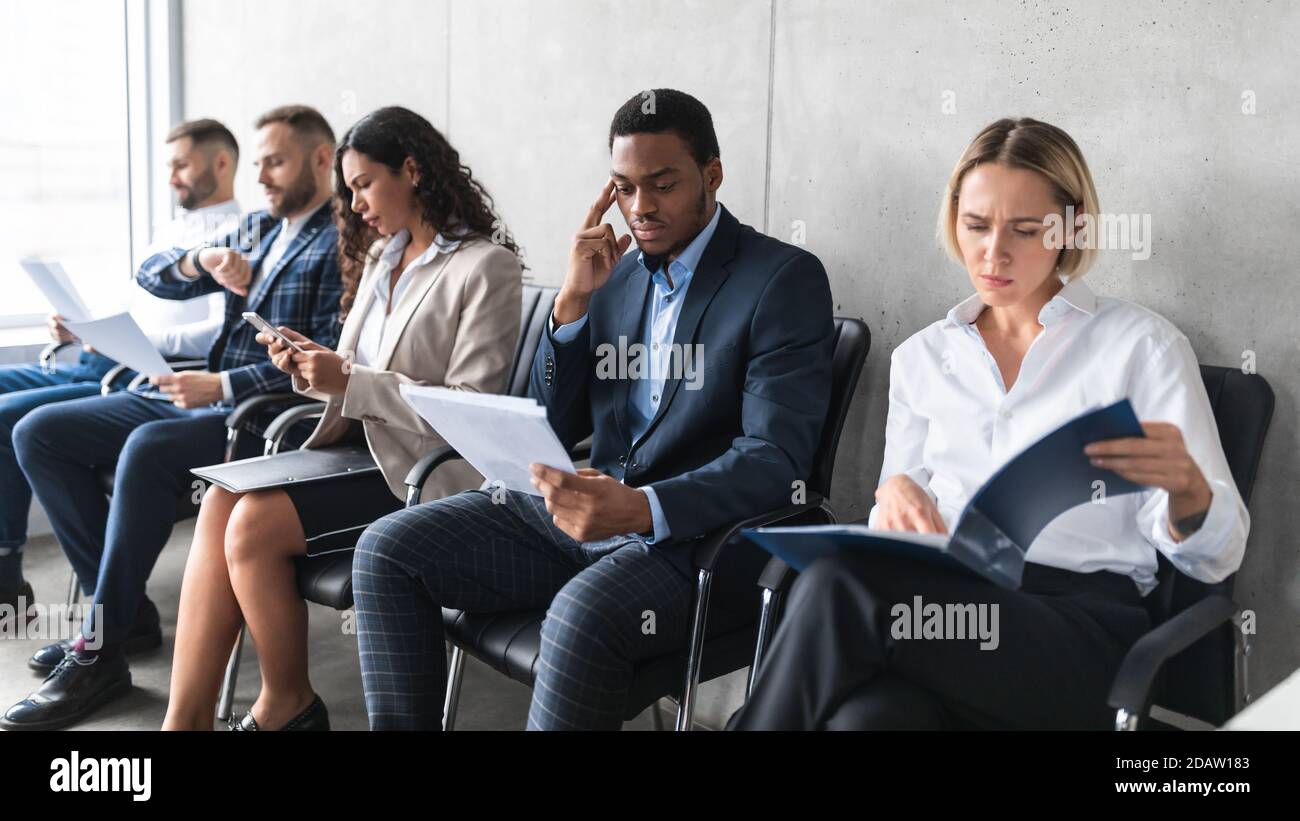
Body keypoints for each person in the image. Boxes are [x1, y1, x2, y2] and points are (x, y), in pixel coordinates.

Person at [728, 117, 1248, 731]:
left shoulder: (1142, 348)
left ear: (1070, 227)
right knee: (864, 723)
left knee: (841, 589)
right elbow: (897, 533)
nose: (992, 252)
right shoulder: (922, 358)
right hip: (944, 615)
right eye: (976, 225)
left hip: (1077, 634)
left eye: (1025, 230)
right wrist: (892, 498)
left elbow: (1219, 556)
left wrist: (1189, 494)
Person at [351, 88, 836, 730]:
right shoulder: (618, 273)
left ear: (711, 175)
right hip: (581, 518)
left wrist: (643, 507)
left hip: (693, 546)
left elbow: (777, 460)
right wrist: (572, 308)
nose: (641, 208)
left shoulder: (781, 279)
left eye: (661, 185)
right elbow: (553, 423)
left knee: (579, 615)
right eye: (624, 188)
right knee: (386, 549)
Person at [161, 106, 524, 731]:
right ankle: (184, 723)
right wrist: (311, 364)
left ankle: (287, 704)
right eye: (349, 189)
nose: (355, 204)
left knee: (248, 524)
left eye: (363, 184)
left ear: (411, 170)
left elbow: (471, 406)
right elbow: (351, 369)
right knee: (219, 500)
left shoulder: (483, 266)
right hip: (355, 448)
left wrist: (350, 380)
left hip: (422, 473)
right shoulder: (385, 257)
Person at [1, 105, 344, 731]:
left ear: (322, 160)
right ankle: (122, 617)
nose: (261, 175)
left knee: (147, 448)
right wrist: (201, 263)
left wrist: (223, 381)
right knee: (37, 432)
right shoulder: (261, 229)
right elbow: (152, 274)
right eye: (259, 161)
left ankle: (98, 653)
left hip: (257, 410)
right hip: (200, 395)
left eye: (274, 161)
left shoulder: (339, 241)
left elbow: (330, 357)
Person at [0, 118, 241, 612]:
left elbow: (220, 333)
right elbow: (143, 305)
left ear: (221, 162)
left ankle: (28, 587)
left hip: (146, 369)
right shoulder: (170, 233)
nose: (171, 176)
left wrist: (128, 340)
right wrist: (83, 325)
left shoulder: (243, 234)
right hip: (110, 355)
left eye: (181, 164)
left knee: (16, 420)